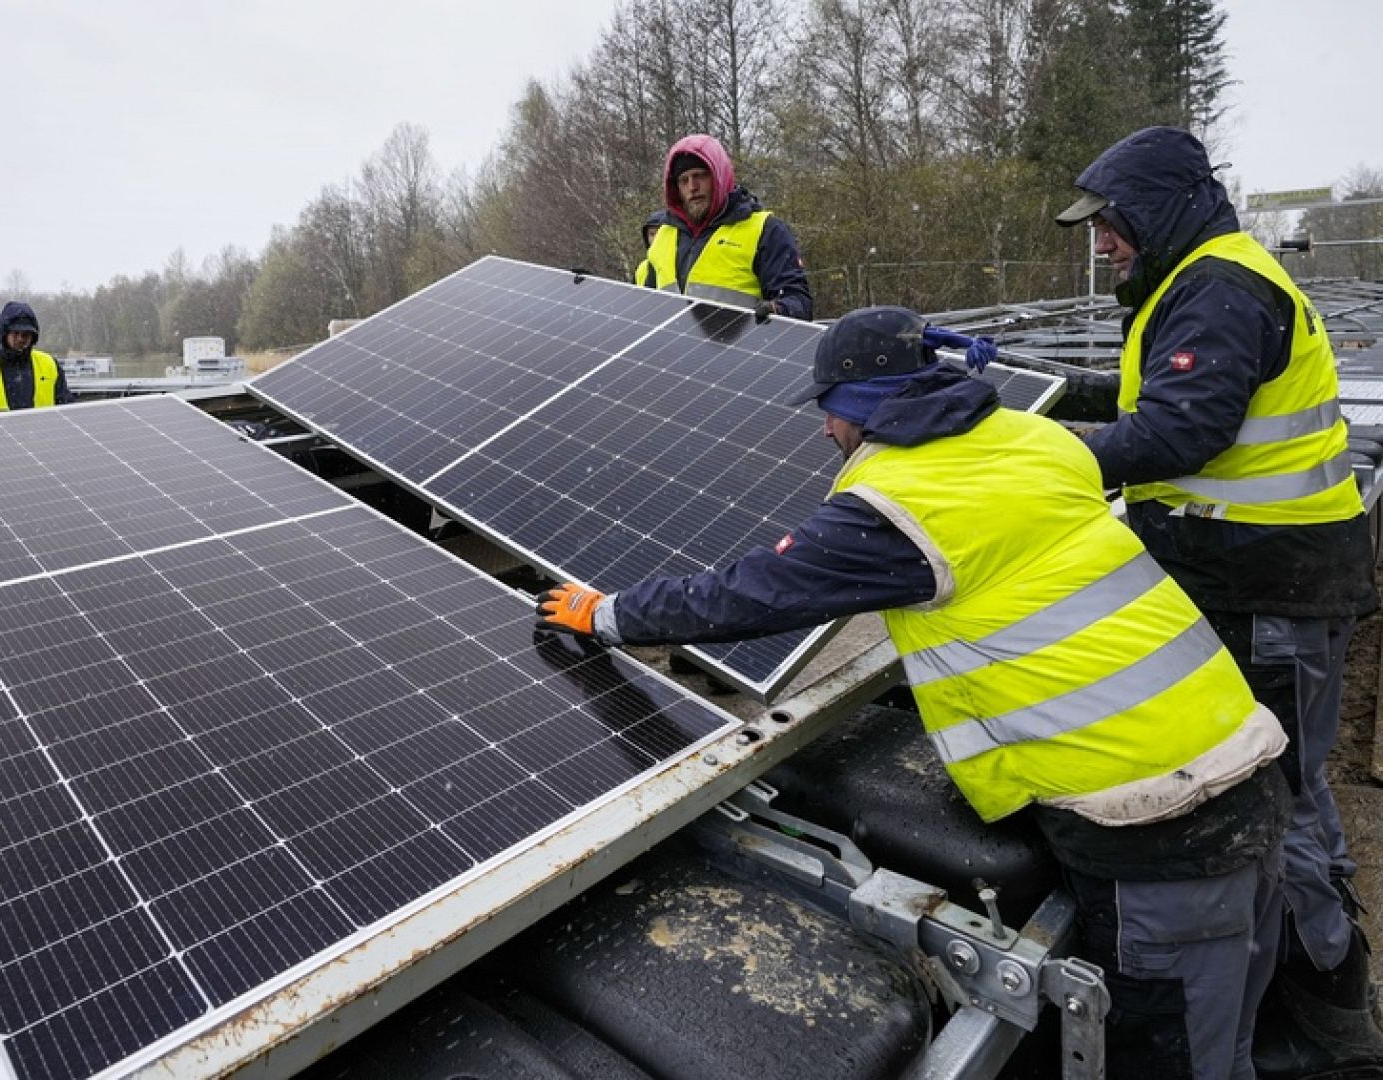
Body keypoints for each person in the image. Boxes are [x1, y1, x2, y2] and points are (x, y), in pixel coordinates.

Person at [534, 305, 1291, 1078]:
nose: (826, 430)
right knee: (1231, 1028)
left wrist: (608, 614)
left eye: (829, 410)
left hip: (1152, 818)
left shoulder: (893, 511)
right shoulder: (1037, 439)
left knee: (1175, 1059)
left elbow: (744, 594)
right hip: (1243, 752)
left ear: (856, 407)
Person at [1053, 126, 1382, 1075]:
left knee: (1280, 793)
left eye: (1112, 224)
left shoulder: (1217, 287)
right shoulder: (1205, 281)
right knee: (1288, 786)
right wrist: (1031, 396)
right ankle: (1314, 992)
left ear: (1154, 212)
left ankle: (1327, 1009)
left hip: (1265, 590)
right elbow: (1150, 400)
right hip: (1266, 581)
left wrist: (1027, 459)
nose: (1104, 244)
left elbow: (1178, 432)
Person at [641, 133, 812, 321]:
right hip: (673, 350)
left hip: (747, 348)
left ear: (719, 177)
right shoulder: (663, 237)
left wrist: (779, 309)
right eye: (684, 180)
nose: (693, 187)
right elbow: (647, 311)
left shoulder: (765, 230)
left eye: (700, 175)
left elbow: (799, 302)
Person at [633, 209, 671, 288]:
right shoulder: (642, 268)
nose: (656, 238)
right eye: (652, 234)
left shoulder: (681, 263)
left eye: (660, 233)